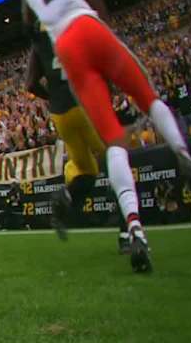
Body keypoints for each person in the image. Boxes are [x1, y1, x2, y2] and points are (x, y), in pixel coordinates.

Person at [16, 0, 191, 272]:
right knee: (139, 112)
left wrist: (49, 91)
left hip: (62, 83)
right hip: (85, 38)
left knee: (98, 158)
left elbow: (28, 63)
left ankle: (103, 213)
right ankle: (179, 157)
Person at [25, 25, 129, 251]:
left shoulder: (40, 42)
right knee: (117, 161)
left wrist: (52, 96)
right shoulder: (74, 26)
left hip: (61, 114)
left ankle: (66, 194)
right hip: (84, 104)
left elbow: (31, 84)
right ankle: (125, 233)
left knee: (86, 170)